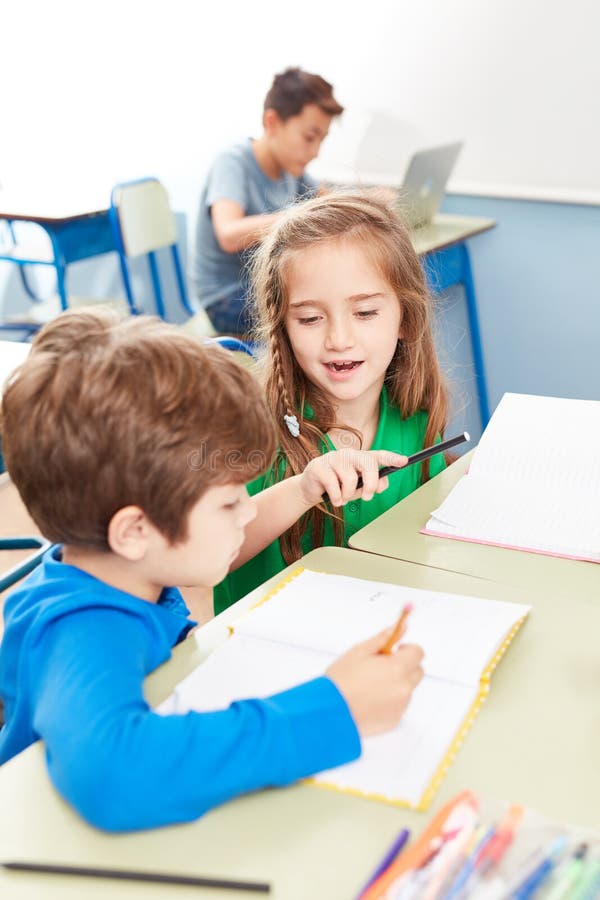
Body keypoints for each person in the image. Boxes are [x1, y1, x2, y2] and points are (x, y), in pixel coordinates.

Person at [0, 308, 424, 832]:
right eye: (228, 505)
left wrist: (303, 488)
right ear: (134, 532)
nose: (246, 512)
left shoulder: (126, 569)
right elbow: (116, 776)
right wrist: (334, 710)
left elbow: (220, 540)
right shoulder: (82, 629)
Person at [214, 191, 448, 614]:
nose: (339, 339)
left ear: (405, 318)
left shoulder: (414, 415)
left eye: (364, 313)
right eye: (309, 319)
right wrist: (303, 491)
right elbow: (211, 556)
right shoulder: (249, 434)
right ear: (282, 327)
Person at [193, 67, 343, 336]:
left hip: (264, 286)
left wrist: (368, 202)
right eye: (309, 137)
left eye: (322, 140)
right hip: (227, 298)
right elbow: (228, 234)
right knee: (322, 307)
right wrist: (298, 215)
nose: (315, 152)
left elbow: (329, 204)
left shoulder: (291, 169)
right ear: (272, 122)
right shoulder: (233, 162)